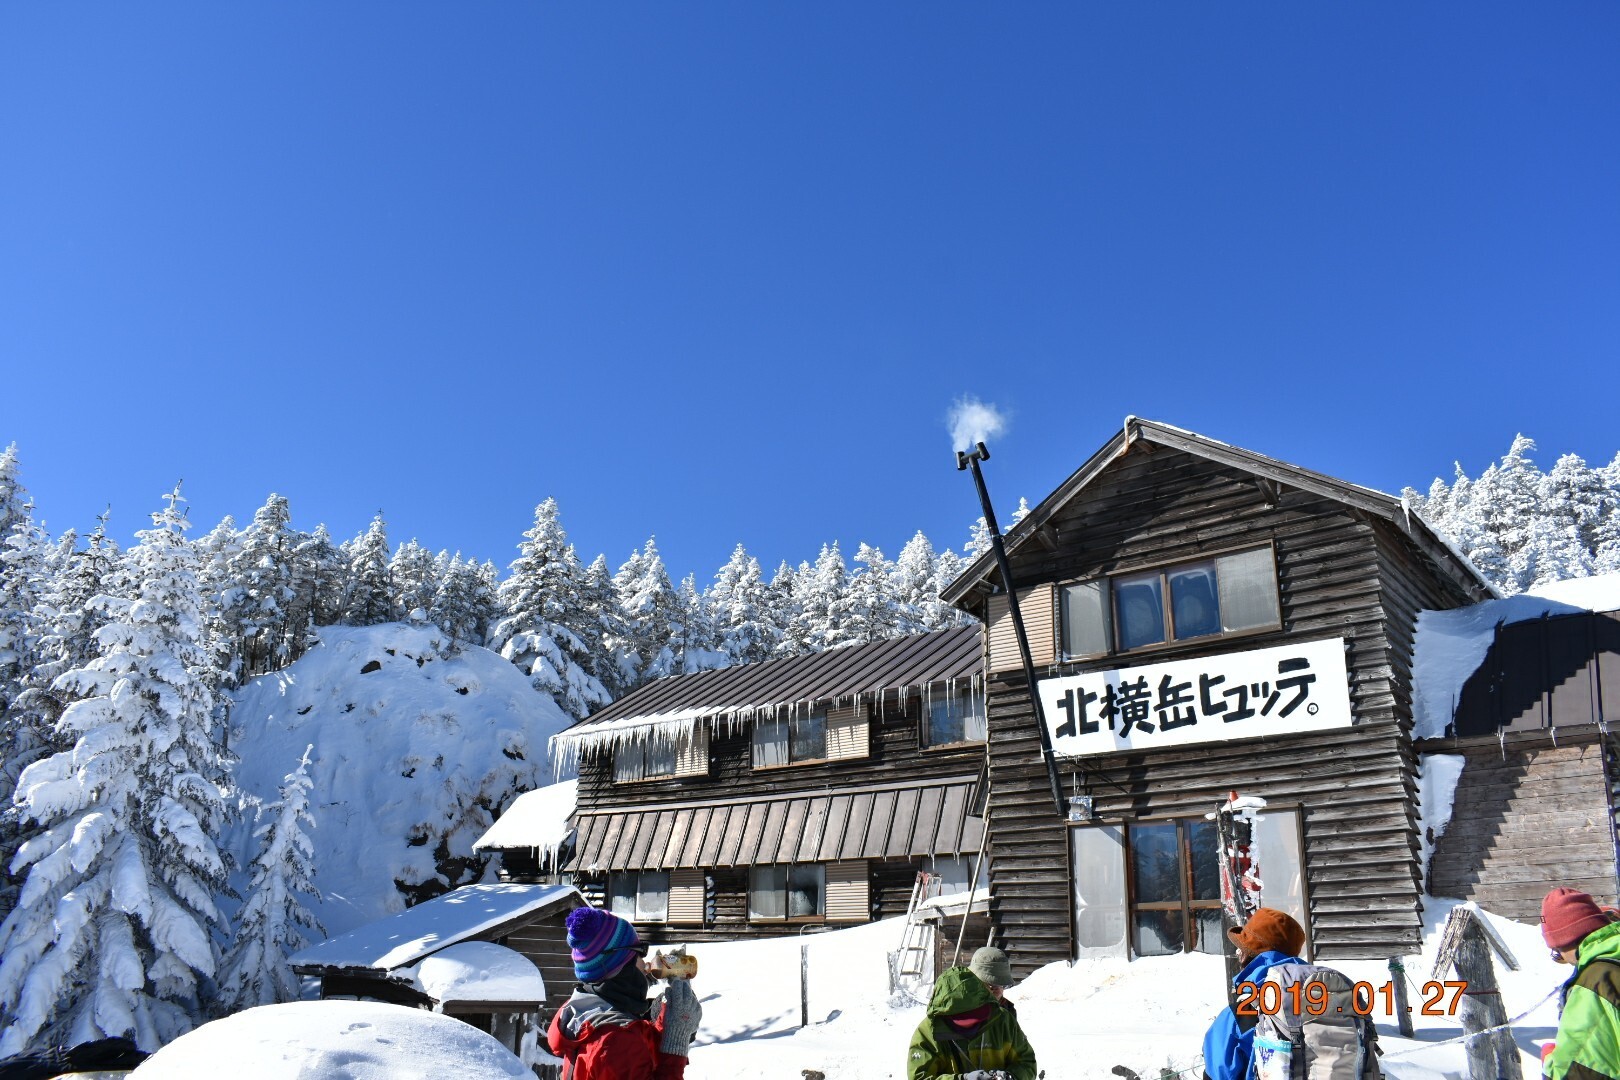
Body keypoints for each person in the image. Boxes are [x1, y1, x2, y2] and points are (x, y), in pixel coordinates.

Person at [547, 906, 702, 1080]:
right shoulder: (615, 1041)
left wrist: (665, 1022)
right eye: (640, 952)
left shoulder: (584, 1014)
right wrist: (676, 1044)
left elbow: (639, 1061)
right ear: (622, 965)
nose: (645, 962)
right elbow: (625, 1053)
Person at [1201, 908, 1307, 1080]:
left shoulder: (1240, 1013)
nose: (1238, 956)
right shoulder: (1327, 997)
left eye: (1239, 950)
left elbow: (1218, 1073)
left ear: (1245, 956)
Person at [907, 959, 1037, 1080]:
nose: (973, 1023)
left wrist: (1011, 1076)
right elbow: (919, 1077)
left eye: (979, 1016)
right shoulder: (928, 1033)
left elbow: (1026, 1062)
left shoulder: (1001, 1019)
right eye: (965, 1018)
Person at [1541, 887, 1620, 1080]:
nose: (1560, 957)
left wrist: (1552, 1063)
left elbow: (1581, 1070)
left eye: (1557, 952)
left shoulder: (1595, 982)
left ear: (1568, 940)